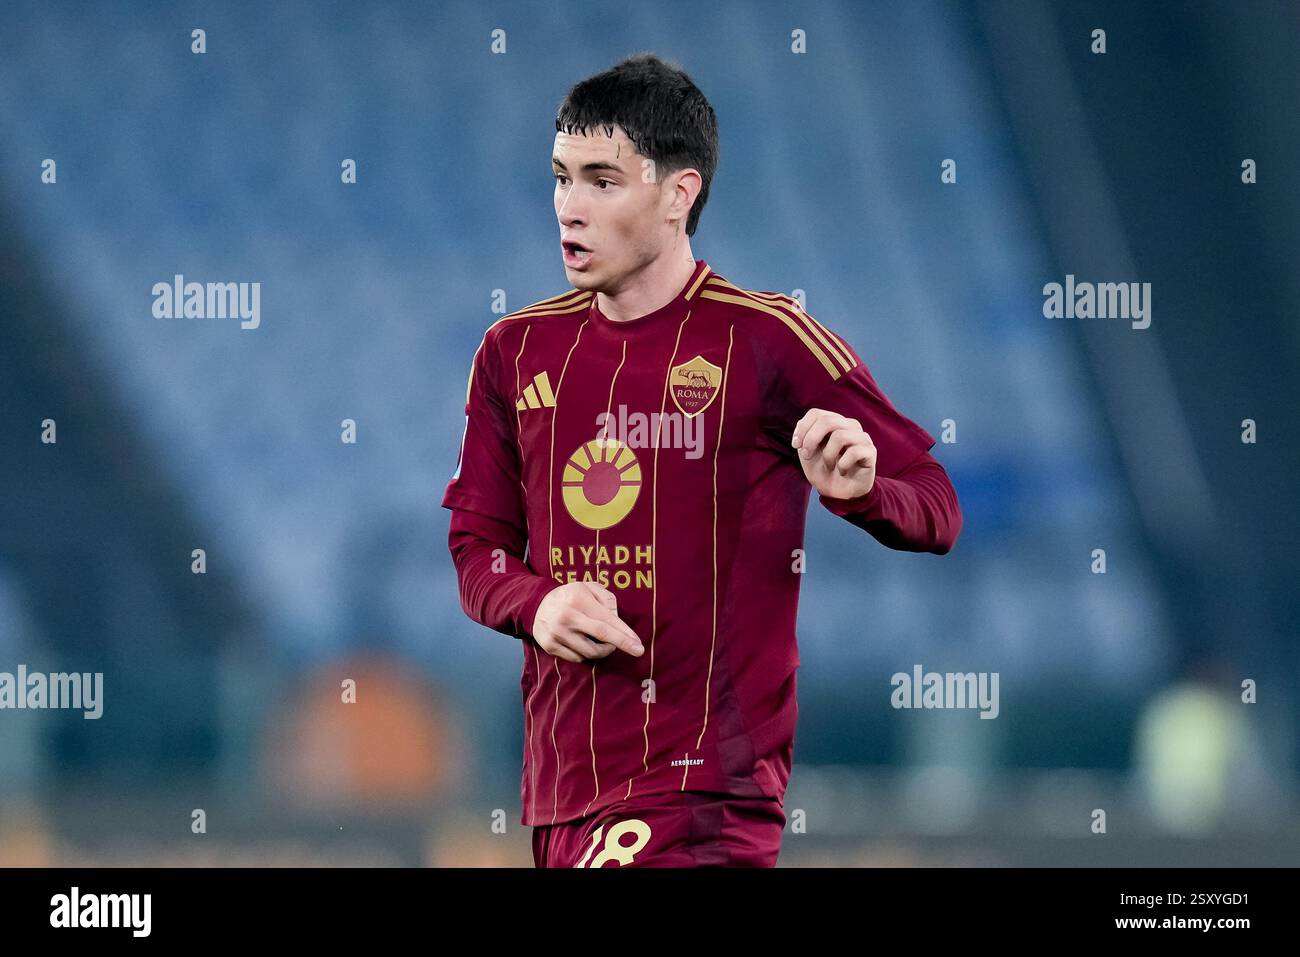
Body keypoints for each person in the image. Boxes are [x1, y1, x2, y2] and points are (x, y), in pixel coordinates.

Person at [442, 52, 962, 867]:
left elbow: (936, 503)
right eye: (560, 176)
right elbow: (478, 549)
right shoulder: (514, 352)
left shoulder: (769, 341)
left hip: (704, 790)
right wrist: (534, 604)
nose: (569, 208)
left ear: (677, 194)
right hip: (561, 794)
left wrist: (863, 494)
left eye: (603, 181)